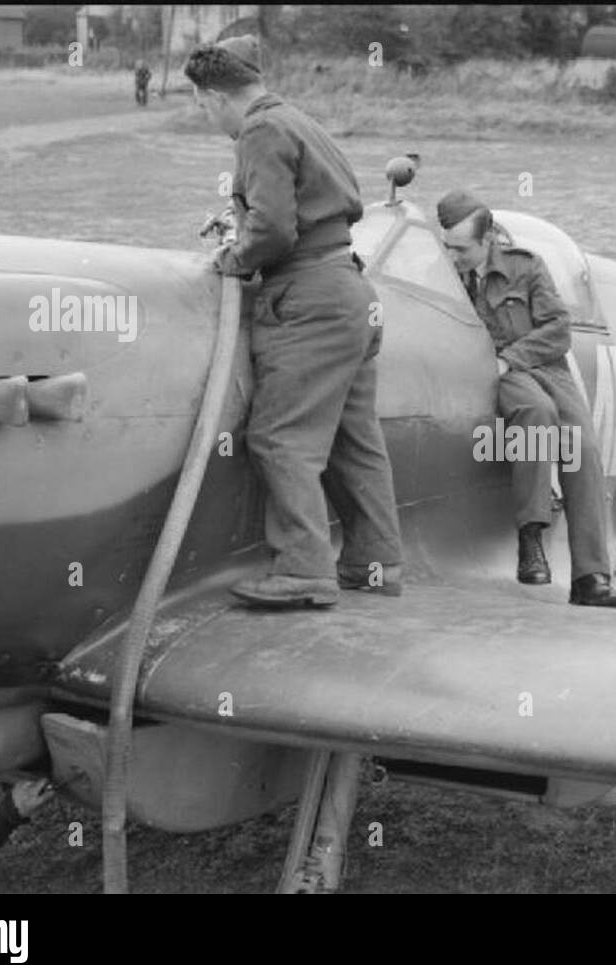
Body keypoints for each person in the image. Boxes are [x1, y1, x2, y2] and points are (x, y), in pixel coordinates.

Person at [186, 36, 404, 608]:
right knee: (354, 442)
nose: (206, 118)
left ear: (212, 96)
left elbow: (277, 230)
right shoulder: (298, 119)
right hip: (349, 291)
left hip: (307, 299)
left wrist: (236, 256)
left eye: (202, 106)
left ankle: (304, 571)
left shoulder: (259, 131)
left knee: (280, 437)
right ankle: (375, 563)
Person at [436, 190, 616, 608]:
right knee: (535, 415)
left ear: (487, 241)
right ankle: (531, 537)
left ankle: (591, 576)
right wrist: (500, 365)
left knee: (583, 449)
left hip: (543, 368)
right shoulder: (442, 275)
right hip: (496, 375)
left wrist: (513, 358)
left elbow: (558, 328)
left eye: (461, 249)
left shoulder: (526, 267)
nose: (453, 257)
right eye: (447, 247)